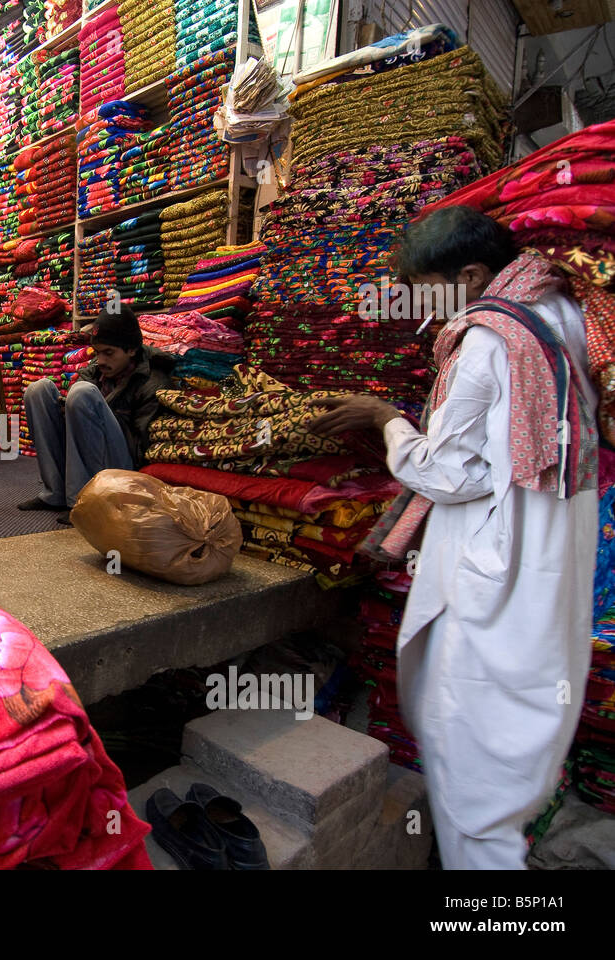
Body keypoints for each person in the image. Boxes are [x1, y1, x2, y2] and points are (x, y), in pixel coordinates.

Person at [308, 205, 600, 869]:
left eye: (425, 289)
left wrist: (387, 421)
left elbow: (445, 472)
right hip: (549, 562)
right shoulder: (557, 313)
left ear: (470, 275)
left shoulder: (489, 341)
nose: (419, 307)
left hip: (498, 575)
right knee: (507, 758)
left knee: (473, 775)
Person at [18, 305, 173, 524]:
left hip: (124, 467)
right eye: (97, 352)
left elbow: (142, 450)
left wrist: (98, 415)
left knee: (82, 393)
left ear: (131, 350)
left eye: (108, 353)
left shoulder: (153, 381)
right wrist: (70, 412)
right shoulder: (96, 370)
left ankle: (82, 503)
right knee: (38, 390)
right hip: (92, 452)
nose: (100, 360)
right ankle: (54, 494)